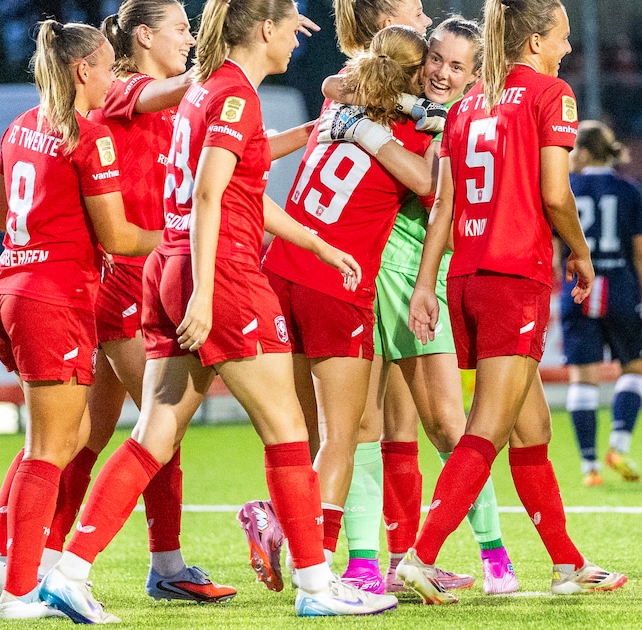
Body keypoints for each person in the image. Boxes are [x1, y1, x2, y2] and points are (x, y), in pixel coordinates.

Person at [33, 0, 397, 620]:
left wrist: (316, 244)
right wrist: (205, 292)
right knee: (288, 430)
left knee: (154, 434)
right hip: (220, 273)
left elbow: (238, 191)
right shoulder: (233, 94)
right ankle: (316, 586)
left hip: (170, 267)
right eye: (290, 28)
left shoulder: (207, 91)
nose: (296, 41)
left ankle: (69, 572)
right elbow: (207, 194)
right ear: (265, 30)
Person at [398, 0, 628, 604]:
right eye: (563, 37)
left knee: (532, 430)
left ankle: (567, 563)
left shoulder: (465, 105)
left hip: (467, 277)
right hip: (512, 277)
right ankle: (421, 557)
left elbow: (443, 204)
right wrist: (580, 252)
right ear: (534, 42)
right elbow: (555, 194)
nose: (568, 48)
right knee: (489, 428)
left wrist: (426, 283)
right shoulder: (551, 94)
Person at [235, 0, 452, 595]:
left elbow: (337, 83)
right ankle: (319, 566)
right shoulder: (411, 129)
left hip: (281, 271)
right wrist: (425, 124)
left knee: (300, 432)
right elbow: (428, 183)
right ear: (413, 75)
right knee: (346, 435)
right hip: (339, 282)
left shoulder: (339, 103)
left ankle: (281, 523)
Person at [0, 19, 162, 620]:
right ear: (83, 70)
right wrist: (184, 236)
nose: (113, 80)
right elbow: (120, 237)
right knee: (50, 449)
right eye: (106, 68)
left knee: (63, 439)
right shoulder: (89, 135)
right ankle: (19, 591)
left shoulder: (19, 125)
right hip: (55, 297)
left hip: (10, 288)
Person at [43, 0, 234, 604]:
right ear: (144, 36)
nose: (190, 39)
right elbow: (179, 89)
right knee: (160, 425)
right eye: (182, 29)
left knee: (91, 433)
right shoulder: (124, 88)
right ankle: (161, 565)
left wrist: (316, 131)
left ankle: (37, 554)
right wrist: (237, 52)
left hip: (142, 278)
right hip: (125, 281)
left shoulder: (173, 100)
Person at [320, 16, 519, 596]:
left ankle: (495, 556)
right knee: (363, 425)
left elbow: (438, 194)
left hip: (414, 279)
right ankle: (364, 564)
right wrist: (401, 107)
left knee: (448, 425)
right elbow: (335, 84)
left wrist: (389, 120)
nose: (441, 72)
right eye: (436, 58)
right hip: (360, 273)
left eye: (457, 66)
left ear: (475, 75)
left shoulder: (468, 121)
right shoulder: (395, 99)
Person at [561, 120, 642, 486]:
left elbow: (554, 248)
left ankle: (590, 467)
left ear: (585, 153)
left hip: (577, 289)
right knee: (632, 368)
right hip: (620, 288)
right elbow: (641, 254)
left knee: (583, 379)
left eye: (572, 149)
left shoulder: (565, 188)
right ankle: (618, 445)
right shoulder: (630, 190)